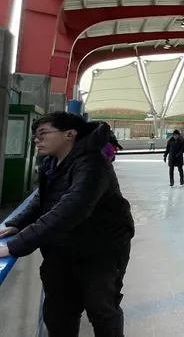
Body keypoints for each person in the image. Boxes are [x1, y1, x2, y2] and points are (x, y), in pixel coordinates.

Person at [0, 112, 134, 336]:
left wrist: (15, 246)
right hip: (62, 248)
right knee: (58, 311)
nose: (37, 139)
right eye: (36, 135)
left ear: (69, 135)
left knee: (101, 308)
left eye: (43, 133)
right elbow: (41, 197)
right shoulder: (52, 163)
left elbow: (71, 209)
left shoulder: (92, 164)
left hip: (101, 250)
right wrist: (17, 223)